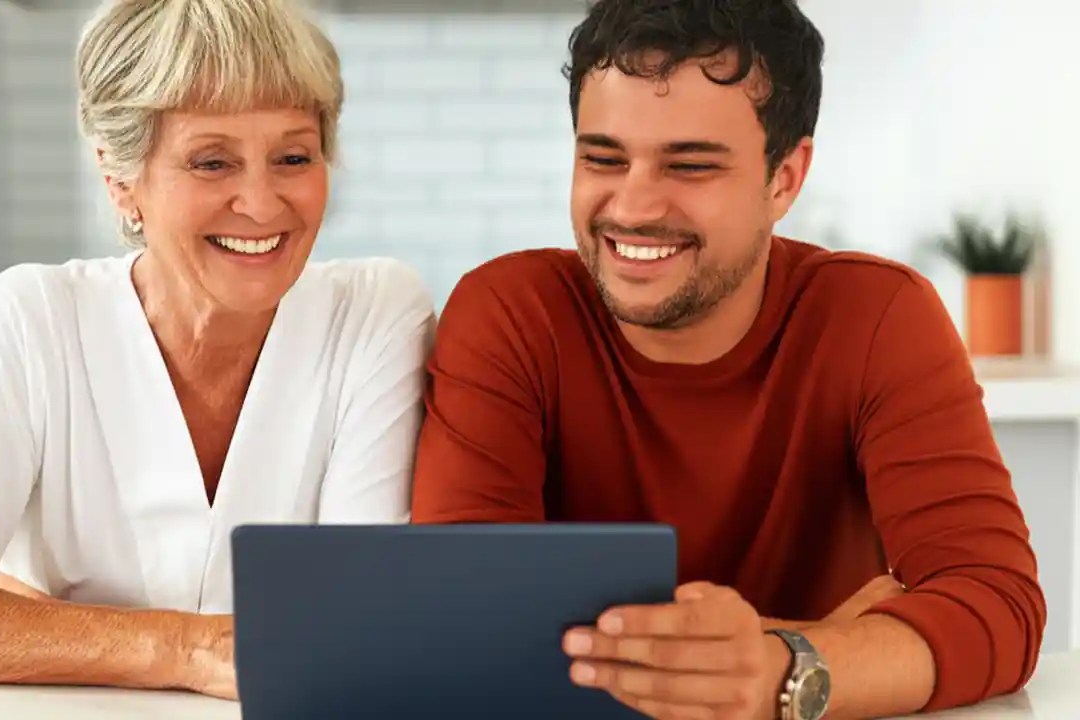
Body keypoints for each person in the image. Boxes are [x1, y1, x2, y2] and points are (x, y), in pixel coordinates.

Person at [411, 0, 1044, 718]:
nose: (634, 206)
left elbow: (999, 605)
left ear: (785, 179)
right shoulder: (511, 314)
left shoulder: (878, 317)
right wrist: (826, 644)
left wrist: (778, 667)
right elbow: (464, 622)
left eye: (690, 165)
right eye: (603, 158)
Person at [0, 0, 434, 700]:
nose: (260, 203)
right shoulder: (35, 320)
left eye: (292, 157)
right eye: (212, 162)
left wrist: (41, 618)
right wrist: (190, 648)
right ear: (121, 179)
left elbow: (363, 620)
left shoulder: (374, 315)